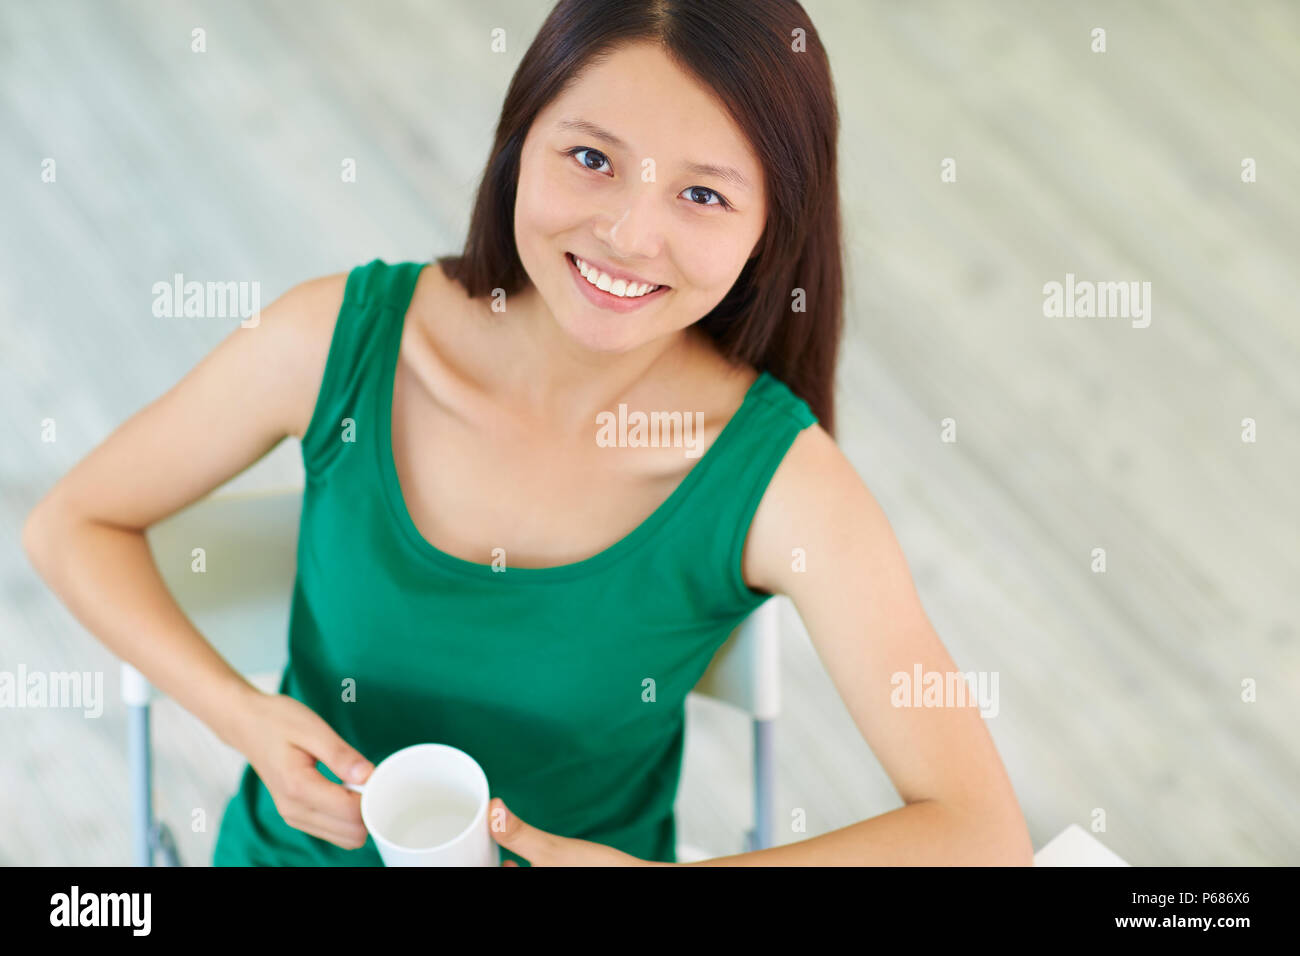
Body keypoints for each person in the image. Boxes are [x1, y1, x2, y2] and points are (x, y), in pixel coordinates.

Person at [22, 0, 1032, 866]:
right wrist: (239, 714)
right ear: (518, 145)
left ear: (773, 225)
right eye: (591, 158)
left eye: (701, 193)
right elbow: (73, 522)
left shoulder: (779, 483)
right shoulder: (336, 341)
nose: (630, 235)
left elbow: (979, 833)